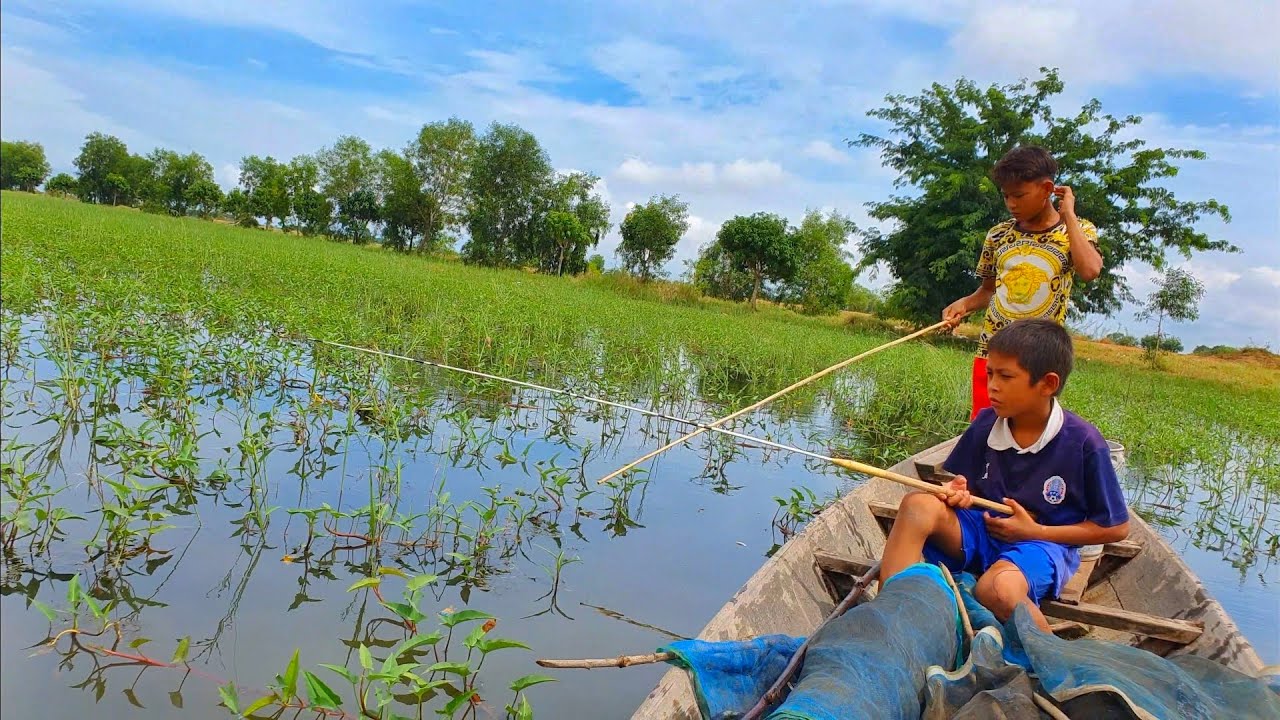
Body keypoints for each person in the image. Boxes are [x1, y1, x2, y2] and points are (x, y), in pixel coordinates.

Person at [878, 319, 1129, 631]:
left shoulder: (1083, 444)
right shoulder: (987, 423)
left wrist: (1035, 532)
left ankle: (1049, 656)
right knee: (917, 506)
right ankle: (885, 618)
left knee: (996, 590)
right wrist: (957, 491)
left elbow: (1116, 528)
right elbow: (960, 484)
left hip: (1042, 544)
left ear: (1047, 384)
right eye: (990, 374)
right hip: (982, 531)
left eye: (1006, 376)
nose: (992, 386)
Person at [943, 145, 1103, 420]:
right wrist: (964, 304)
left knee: (1028, 434)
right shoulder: (998, 235)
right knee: (985, 432)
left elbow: (1089, 270)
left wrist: (1070, 216)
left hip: (1037, 359)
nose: (1011, 204)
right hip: (992, 354)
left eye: (1019, 195)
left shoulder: (1077, 230)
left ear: (1046, 189)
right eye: (1006, 196)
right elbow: (988, 291)